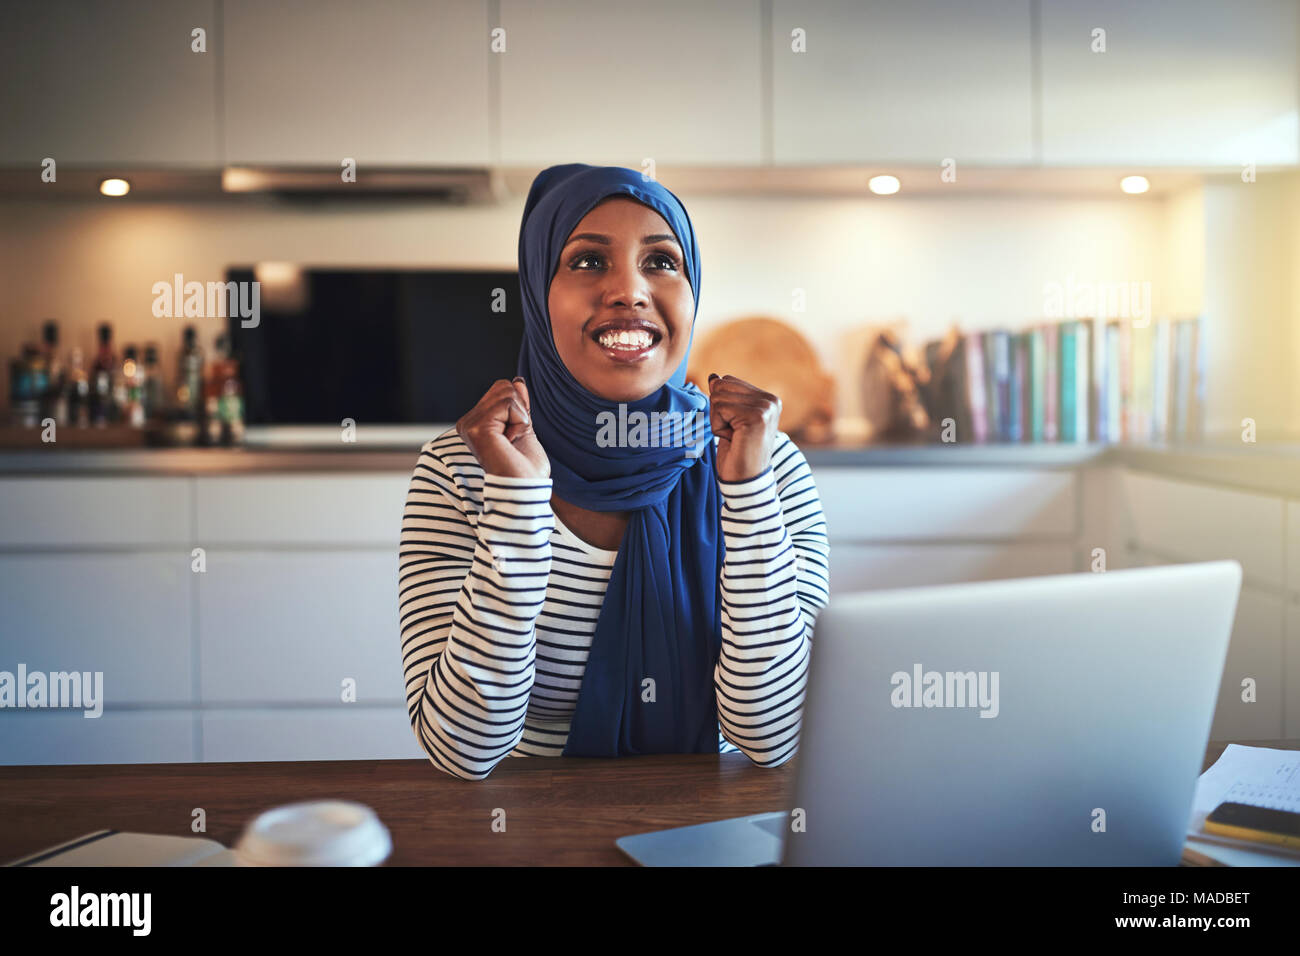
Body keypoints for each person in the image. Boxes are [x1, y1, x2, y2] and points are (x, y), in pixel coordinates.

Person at [399, 164, 830, 780]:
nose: (630, 290)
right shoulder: (462, 469)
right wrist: (517, 505)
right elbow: (462, 751)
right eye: (587, 262)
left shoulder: (766, 461)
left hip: (716, 814)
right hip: (530, 820)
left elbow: (773, 735)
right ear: (536, 291)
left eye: (660, 262)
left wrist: (748, 494)